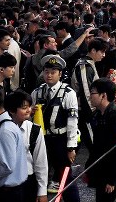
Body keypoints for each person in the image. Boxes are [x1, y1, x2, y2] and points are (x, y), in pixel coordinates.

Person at [31, 55, 80, 196]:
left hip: (61, 140)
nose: (49, 75)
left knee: (65, 176)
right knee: (40, 173)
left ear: (60, 74)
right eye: (46, 71)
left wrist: (71, 147)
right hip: (42, 140)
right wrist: (30, 112)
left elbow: (72, 121)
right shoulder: (37, 92)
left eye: (53, 72)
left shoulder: (68, 93)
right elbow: (28, 117)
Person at [84, 78, 116, 201]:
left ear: (103, 95)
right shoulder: (98, 115)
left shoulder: (115, 116)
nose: (90, 97)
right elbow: (96, 147)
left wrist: (113, 180)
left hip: (111, 173)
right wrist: (89, 169)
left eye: (92, 93)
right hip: (101, 171)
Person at [4, 90, 47, 202]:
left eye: (29, 106)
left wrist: (42, 192)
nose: (29, 110)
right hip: (5, 183)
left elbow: (41, 162)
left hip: (27, 182)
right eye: (24, 108)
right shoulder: (2, 129)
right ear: (12, 110)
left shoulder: (35, 130)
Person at [71, 39, 107, 147]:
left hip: (89, 110)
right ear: (93, 50)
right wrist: (93, 111)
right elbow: (87, 92)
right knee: (93, 144)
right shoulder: (84, 66)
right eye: (102, 52)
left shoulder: (88, 64)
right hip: (86, 111)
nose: (103, 55)